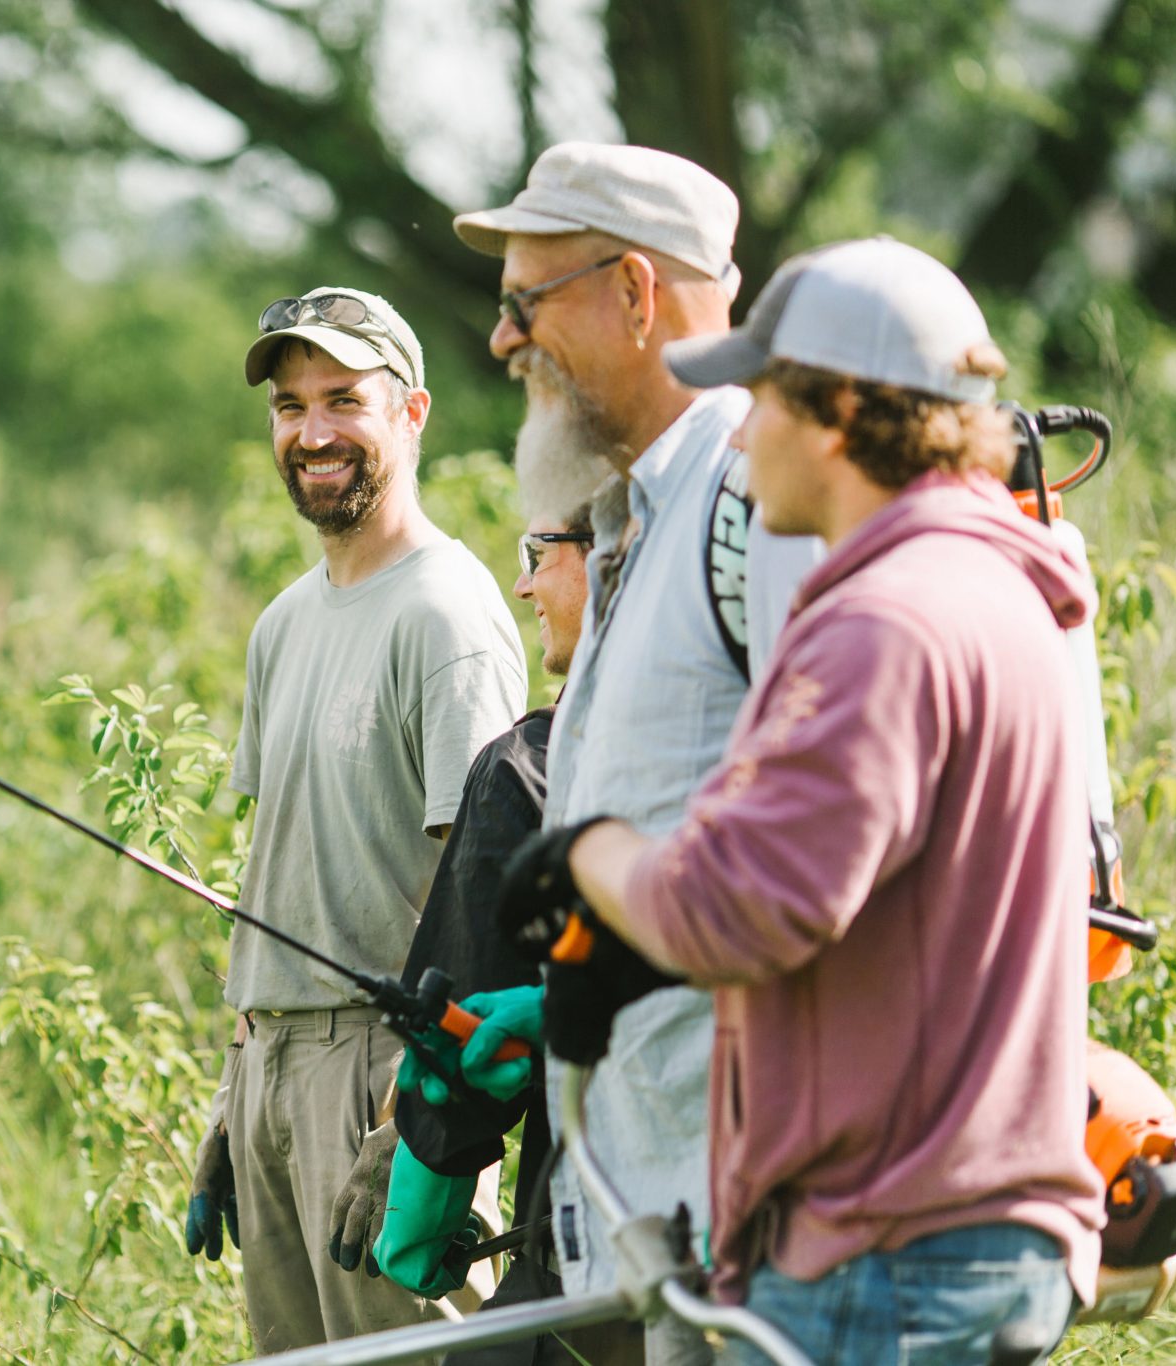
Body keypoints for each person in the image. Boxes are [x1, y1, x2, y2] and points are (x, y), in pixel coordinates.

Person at [536, 237, 1105, 1363]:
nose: (738, 438)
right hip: (959, 1241)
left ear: (839, 411)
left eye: (757, 403)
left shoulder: (881, 623)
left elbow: (744, 907)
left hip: (880, 1262)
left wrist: (587, 856)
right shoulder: (990, 585)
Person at [376, 142, 820, 1366]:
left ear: (633, 294)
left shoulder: (762, 511)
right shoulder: (627, 531)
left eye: (525, 304)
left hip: (770, 1231)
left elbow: (838, 865)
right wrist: (581, 994)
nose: (500, 342)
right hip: (643, 1217)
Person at [183, 286, 528, 1354]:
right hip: (273, 1066)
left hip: (384, 1075)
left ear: (411, 412)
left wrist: (414, 1129)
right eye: (289, 406)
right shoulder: (283, 623)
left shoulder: (444, 613)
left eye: (343, 399)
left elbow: (483, 901)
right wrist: (237, 1096)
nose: (312, 432)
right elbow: (285, 870)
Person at [319, 491, 598, 1316]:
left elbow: (466, 1036)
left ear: (610, 550)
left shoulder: (534, 764)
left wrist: (419, 1208)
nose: (523, 587)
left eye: (539, 553)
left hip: (600, 1239)